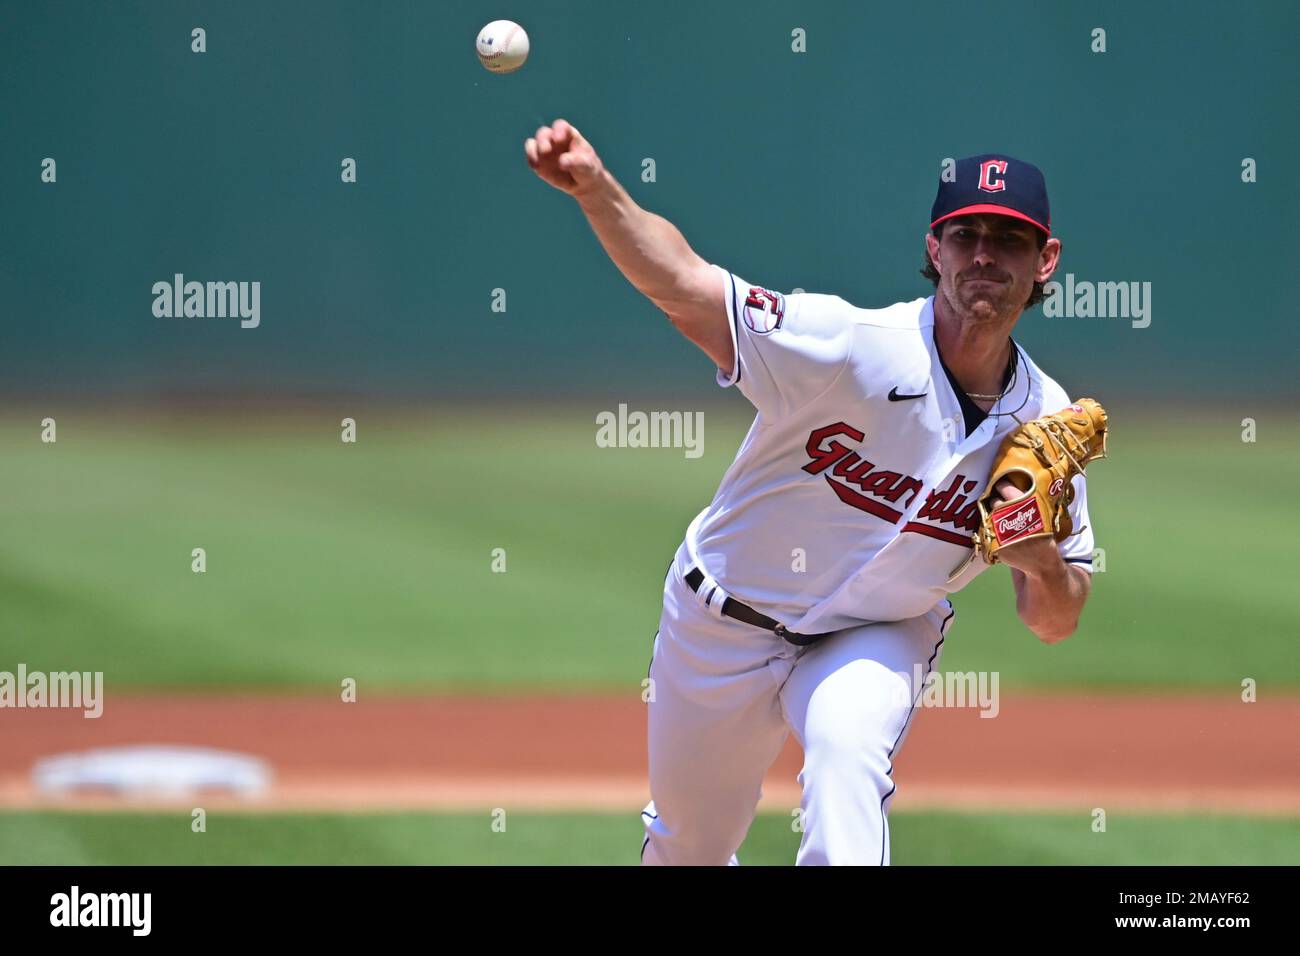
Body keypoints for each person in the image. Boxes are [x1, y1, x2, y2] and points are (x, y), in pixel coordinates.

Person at [525, 121, 1094, 865]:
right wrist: (599, 193)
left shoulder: (1047, 424)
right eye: (966, 235)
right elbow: (687, 286)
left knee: (846, 766)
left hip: (876, 632)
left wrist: (1041, 561)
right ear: (935, 248)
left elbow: (1055, 619)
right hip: (721, 618)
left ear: (1046, 259)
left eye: (1010, 240)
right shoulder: (848, 343)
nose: (984, 255)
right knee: (688, 847)